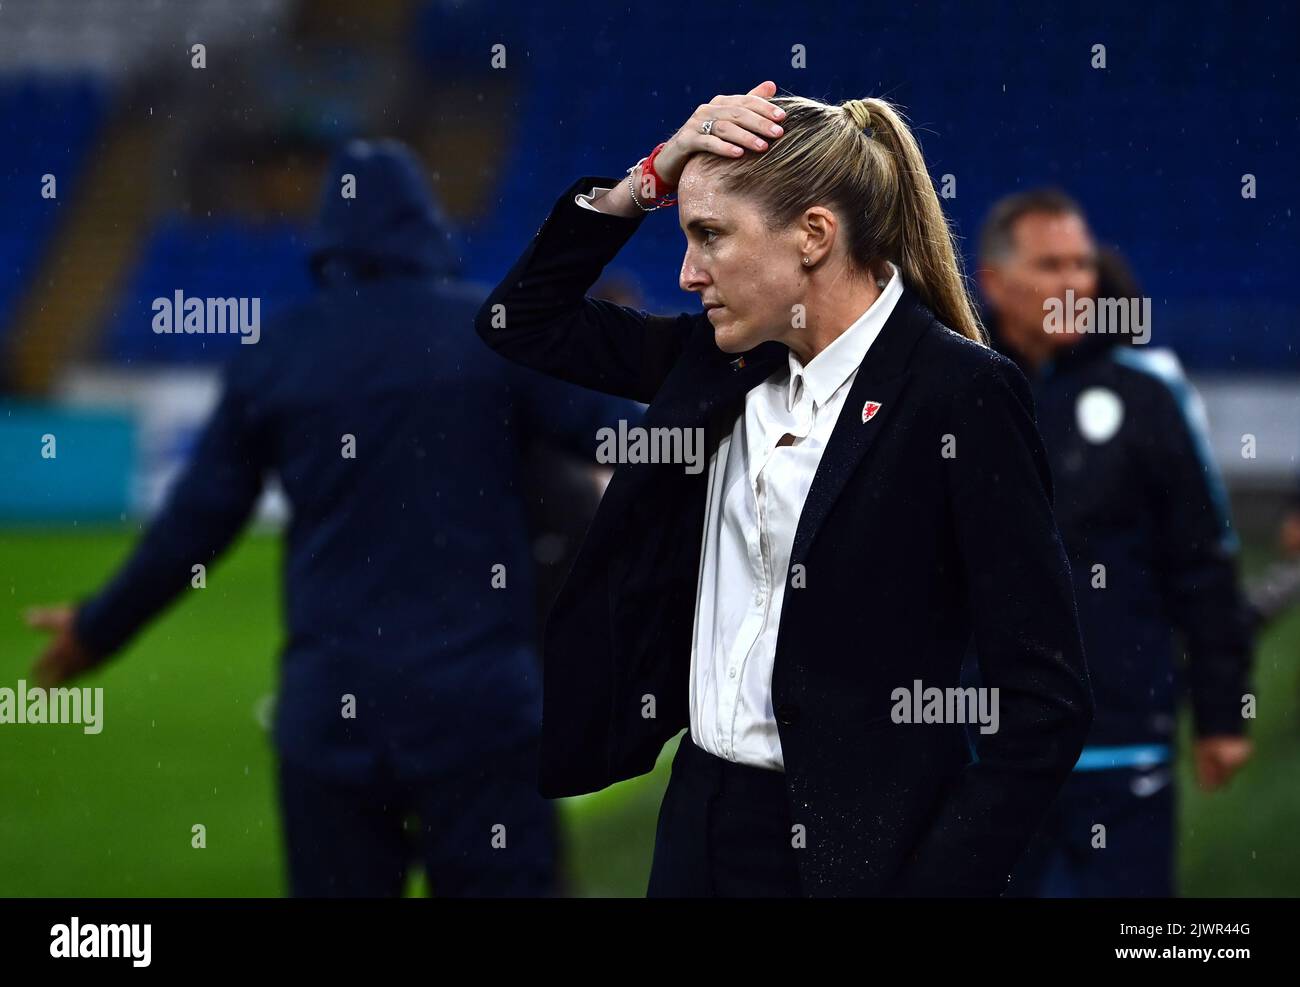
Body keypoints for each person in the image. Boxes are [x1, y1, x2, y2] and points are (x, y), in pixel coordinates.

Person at [474, 80, 1093, 897]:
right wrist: (645, 181)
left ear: (813, 235)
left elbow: (1045, 699)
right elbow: (520, 320)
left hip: (861, 853)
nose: (688, 273)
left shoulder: (959, 392)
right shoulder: (720, 357)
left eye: (710, 236)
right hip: (701, 820)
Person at [26, 139, 638, 897]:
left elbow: (195, 525)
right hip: (480, 711)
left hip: (332, 716)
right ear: (425, 223)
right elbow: (631, 438)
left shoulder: (278, 353)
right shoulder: (494, 333)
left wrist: (97, 626)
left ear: (328, 235)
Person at [976, 191, 1255, 896]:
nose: (1077, 282)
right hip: (987, 748)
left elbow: (1204, 559)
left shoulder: (1148, 392)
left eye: (1082, 263)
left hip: (1124, 738)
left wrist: (1222, 711)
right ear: (994, 281)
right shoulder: (955, 388)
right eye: (1050, 265)